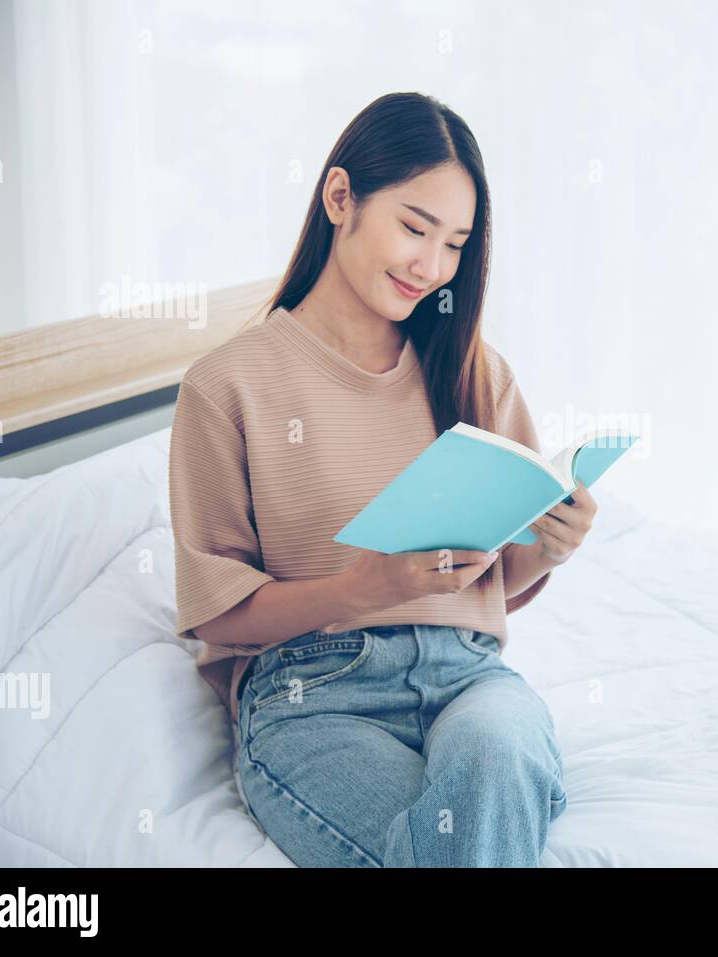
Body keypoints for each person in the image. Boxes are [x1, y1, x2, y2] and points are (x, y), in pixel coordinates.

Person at [168, 91, 596, 866]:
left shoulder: (474, 372)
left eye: (456, 243)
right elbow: (215, 615)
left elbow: (504, 571)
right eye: (413, 227)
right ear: (341, 198)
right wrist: (358, 591)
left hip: (470, 677)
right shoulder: (228, 386)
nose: (430, 266)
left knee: (499, 757)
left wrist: (553, 543)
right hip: (315, 695)